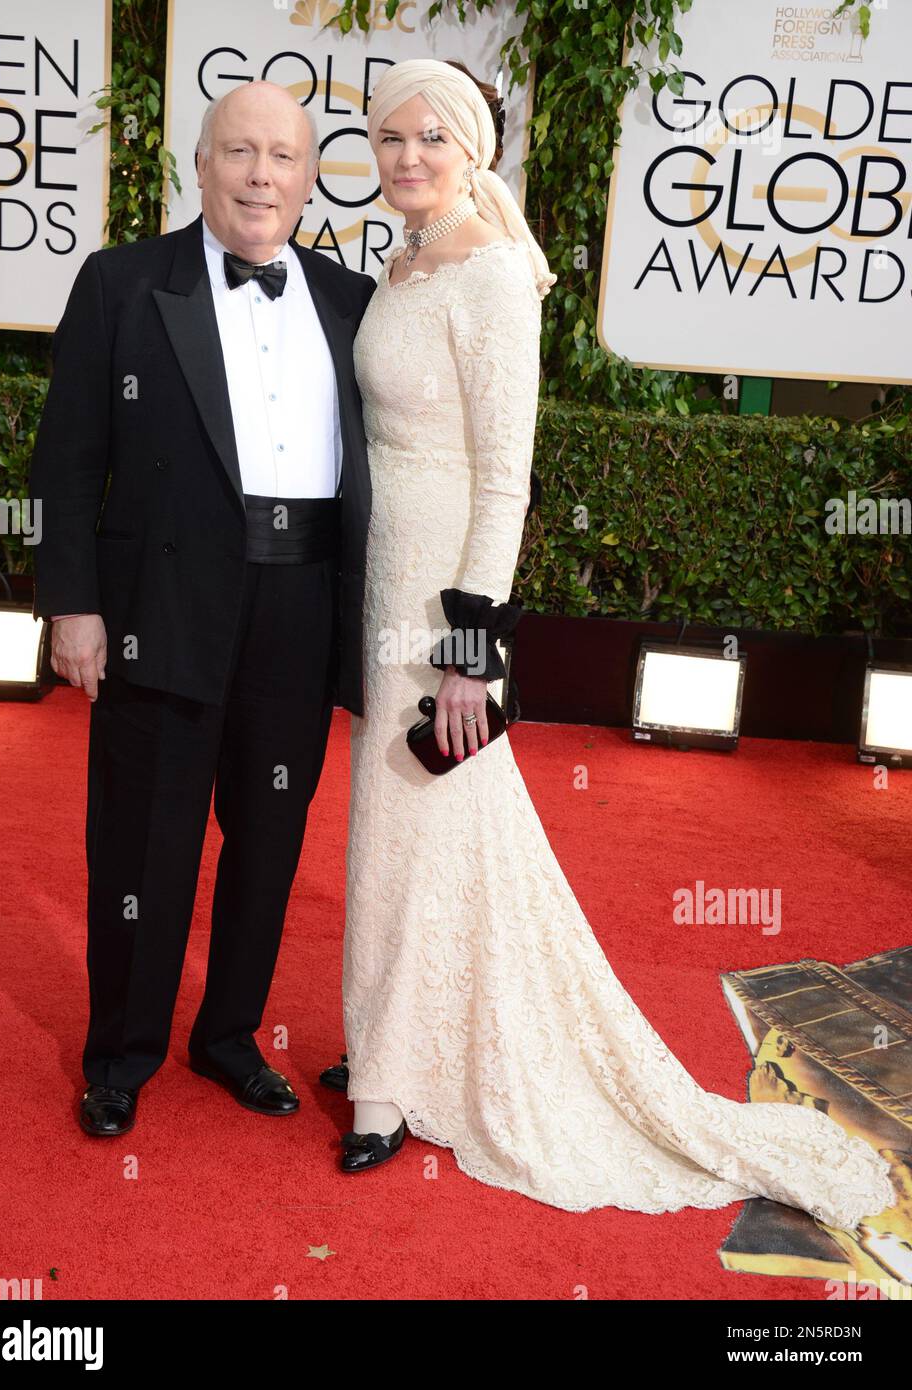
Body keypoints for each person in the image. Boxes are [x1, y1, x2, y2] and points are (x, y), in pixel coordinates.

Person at [325, 58, 899, 1229]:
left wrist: (469, 645)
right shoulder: (402, 259)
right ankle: (393, 1043)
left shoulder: (489, 276)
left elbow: (509, 479)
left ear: (472, 144)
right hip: (380, 578)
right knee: (394, 823)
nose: (406, 157)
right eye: (388, 138)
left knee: (434, 810)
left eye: (429, 135)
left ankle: (391, 1084)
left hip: (437, 599)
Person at [29, 82, 375, 1137]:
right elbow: (66, 457)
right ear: (202, 165)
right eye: (239, 152)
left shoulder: (353, 300)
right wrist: (73, 606)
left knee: (268, 840)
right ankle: (121, 1054)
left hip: (301, 604)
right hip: (162, 607)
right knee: (144, 843)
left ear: (312, 176)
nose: (261, 174)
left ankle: (229, 1036)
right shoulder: (124, 284)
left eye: (282, 156)